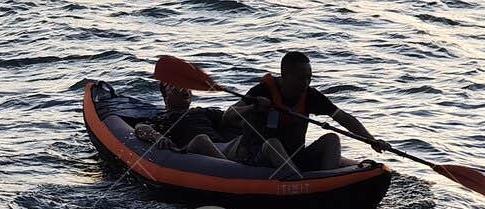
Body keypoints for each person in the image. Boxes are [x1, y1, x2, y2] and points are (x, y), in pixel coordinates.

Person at [228, 51, 392, 177]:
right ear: (285, 76)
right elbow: (229, 115)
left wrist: (371, 140)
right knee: (273, 143)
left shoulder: (310, 96)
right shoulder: (263, 90)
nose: (306, 84)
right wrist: (253, 107)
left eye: (309, 78)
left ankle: (328, 182)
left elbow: (343, 117)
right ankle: (298, 184)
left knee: (332, 139)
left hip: (295, 156)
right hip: (259, 157)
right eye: (301, 78)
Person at [132, 82, 243, 160]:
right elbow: (140, 127)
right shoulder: (165, 118)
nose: (183, 89)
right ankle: (233, 173)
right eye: (175, 87)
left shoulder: (201, 112)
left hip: (226, 146)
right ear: (166, 98)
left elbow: (230, 116)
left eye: (186, 87)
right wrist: (157, 137)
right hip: (199, 149)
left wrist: (252, 108)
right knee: (201, 139)